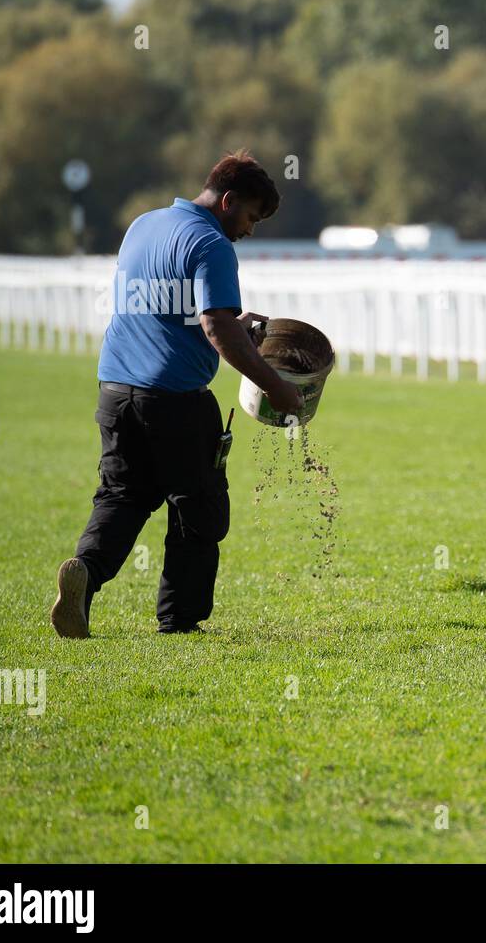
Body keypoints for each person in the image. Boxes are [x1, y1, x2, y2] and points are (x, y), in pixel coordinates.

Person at [50, 149, 303, 639]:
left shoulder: (143, 226)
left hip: (115, 389)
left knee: (122, 497)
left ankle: (84, 573)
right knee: (198, 505)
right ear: (228, 200)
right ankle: (179, 620)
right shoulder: (211, 243)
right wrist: (277, 386)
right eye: (250, 217)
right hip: (175, 399)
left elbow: (163, 307)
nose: (249, 230)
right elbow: (215, 328)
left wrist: (233, 322)